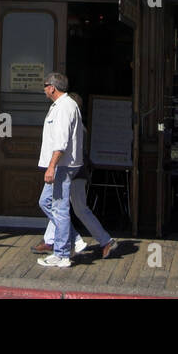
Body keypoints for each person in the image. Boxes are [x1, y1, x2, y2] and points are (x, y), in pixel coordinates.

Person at [34, 93, 117, 259]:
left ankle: (77, 239)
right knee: (69, 208)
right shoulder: (79, 125)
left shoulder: (73, 124)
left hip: (71, 172)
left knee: (61, 206)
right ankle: (102, 240)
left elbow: (67, 149)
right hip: (77, 173)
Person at [36, 72, 82, 268]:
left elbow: (61, 143)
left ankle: (62, 254)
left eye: (45, 85)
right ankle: (74, 239)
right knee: (46, 202)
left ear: (52, 87)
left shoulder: (64, 107)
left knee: (60, 209)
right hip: (61, 165)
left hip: (62, 165)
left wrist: (52, 167)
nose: (44, 89)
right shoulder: (62, 105)